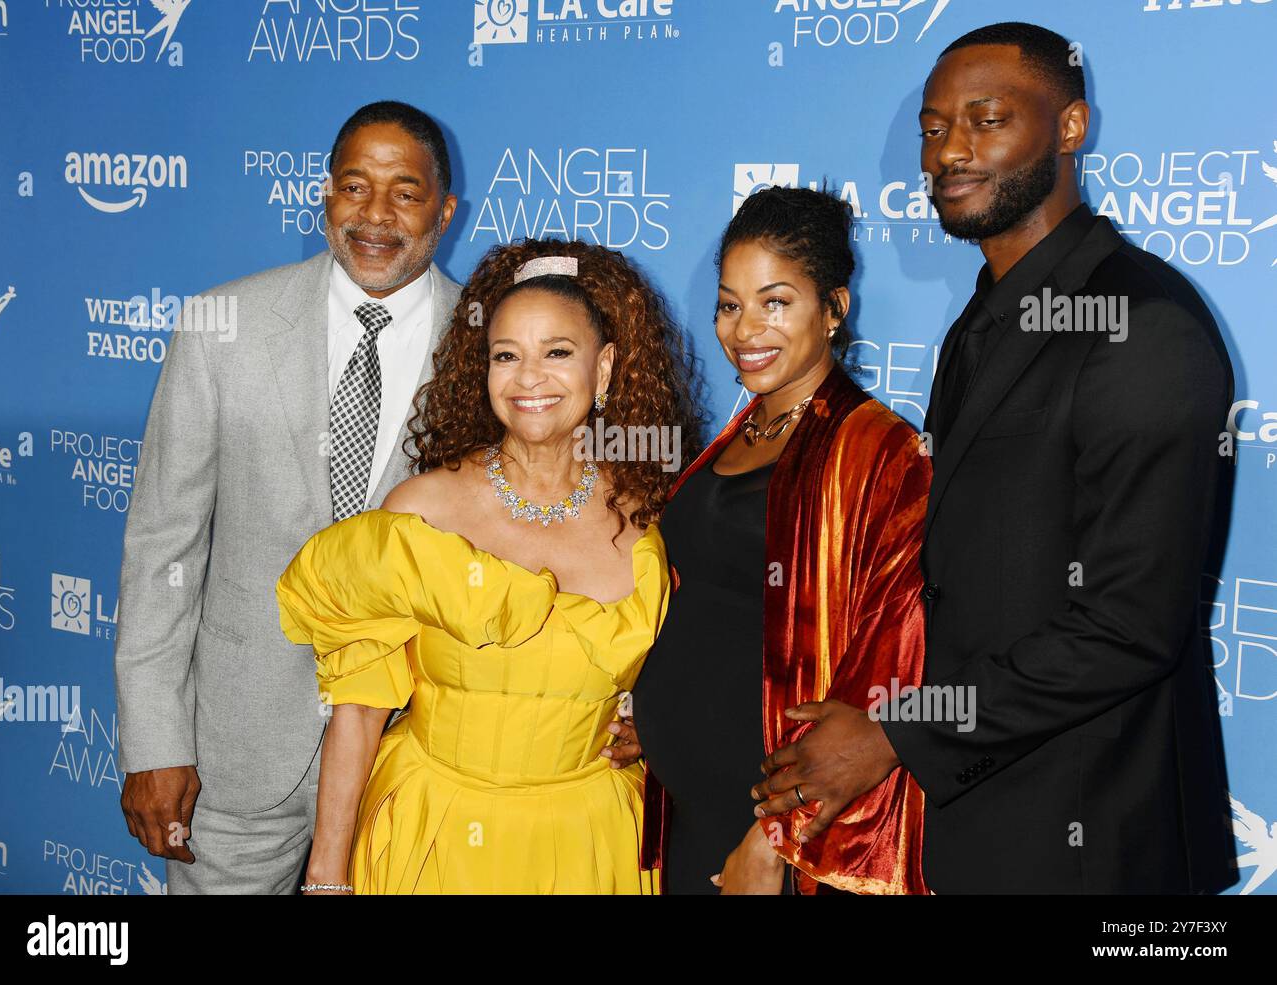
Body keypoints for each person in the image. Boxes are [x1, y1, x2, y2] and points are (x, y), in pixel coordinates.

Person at [751, 22, 1237, 894]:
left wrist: (898, 734)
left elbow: (1128, 623)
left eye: (986, 120)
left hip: (1098, 838)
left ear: (1071, 127)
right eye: (933, 130)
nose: (950, 152)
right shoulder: (983, 318)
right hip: (979, 821)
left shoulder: (1141, 324)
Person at [275, 239, 701, 894]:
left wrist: (662, 724)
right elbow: (358, 713)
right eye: (507, 355)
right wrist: (327, 876)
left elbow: (711, 673)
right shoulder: (424, 508)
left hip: (592, 845)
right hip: (431, 836)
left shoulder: (653, 516)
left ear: (607, 367)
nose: (529, 378)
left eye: (557, 352)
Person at [113, 100, 463, 894]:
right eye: (354, 186)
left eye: (405, 192)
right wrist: (153, 740)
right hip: (235, 760)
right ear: (324, 196)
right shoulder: (220, 327)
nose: (375, 215)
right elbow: (161, 548)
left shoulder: (493, 348)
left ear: (444, 211)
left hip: (412, 758)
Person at [632, 186, 931, 895]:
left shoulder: (880, 453)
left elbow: (888, 666)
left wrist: (778, 844)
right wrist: (655, 712)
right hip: (693, 813)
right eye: (730, 304)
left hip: (786, 842)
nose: (745, 329)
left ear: (834, 308)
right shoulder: (736, 436)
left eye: (776, 302)